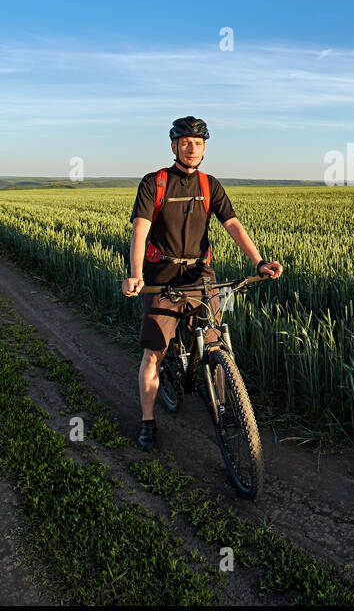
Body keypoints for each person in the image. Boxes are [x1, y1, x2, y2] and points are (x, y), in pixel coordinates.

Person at [121, 116, 282, 450]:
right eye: (184, 142)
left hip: (201, 276)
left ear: (205, 147)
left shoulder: (210, 186)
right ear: (174, 146)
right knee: (154, 353)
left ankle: (225, 408)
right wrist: (136, 273)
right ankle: (148, 422)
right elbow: (140, 229)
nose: (191, 148)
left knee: (215, 345)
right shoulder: (156, 182)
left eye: (197, 142)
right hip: (161, 278)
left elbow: (233, 225)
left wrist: (259, 262)